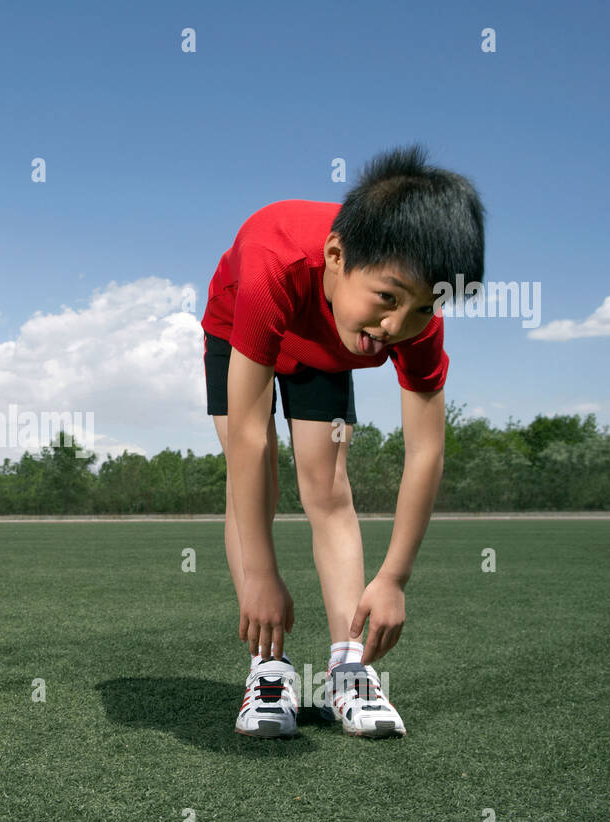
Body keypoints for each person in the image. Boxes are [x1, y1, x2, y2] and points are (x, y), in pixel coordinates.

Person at [203, 144, 485, 738]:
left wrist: (394, 578)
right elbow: (252, 437)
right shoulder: (272, 260)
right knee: (251, 475)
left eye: (421, 309)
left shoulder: (411, 316)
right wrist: (260, 574)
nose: (396, 328)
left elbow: (426, 449)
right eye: (387, 299)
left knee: (326, 485)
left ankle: (347, 670)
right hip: (243, 328)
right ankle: (269, 669)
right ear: (336, 256)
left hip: (325, 346)